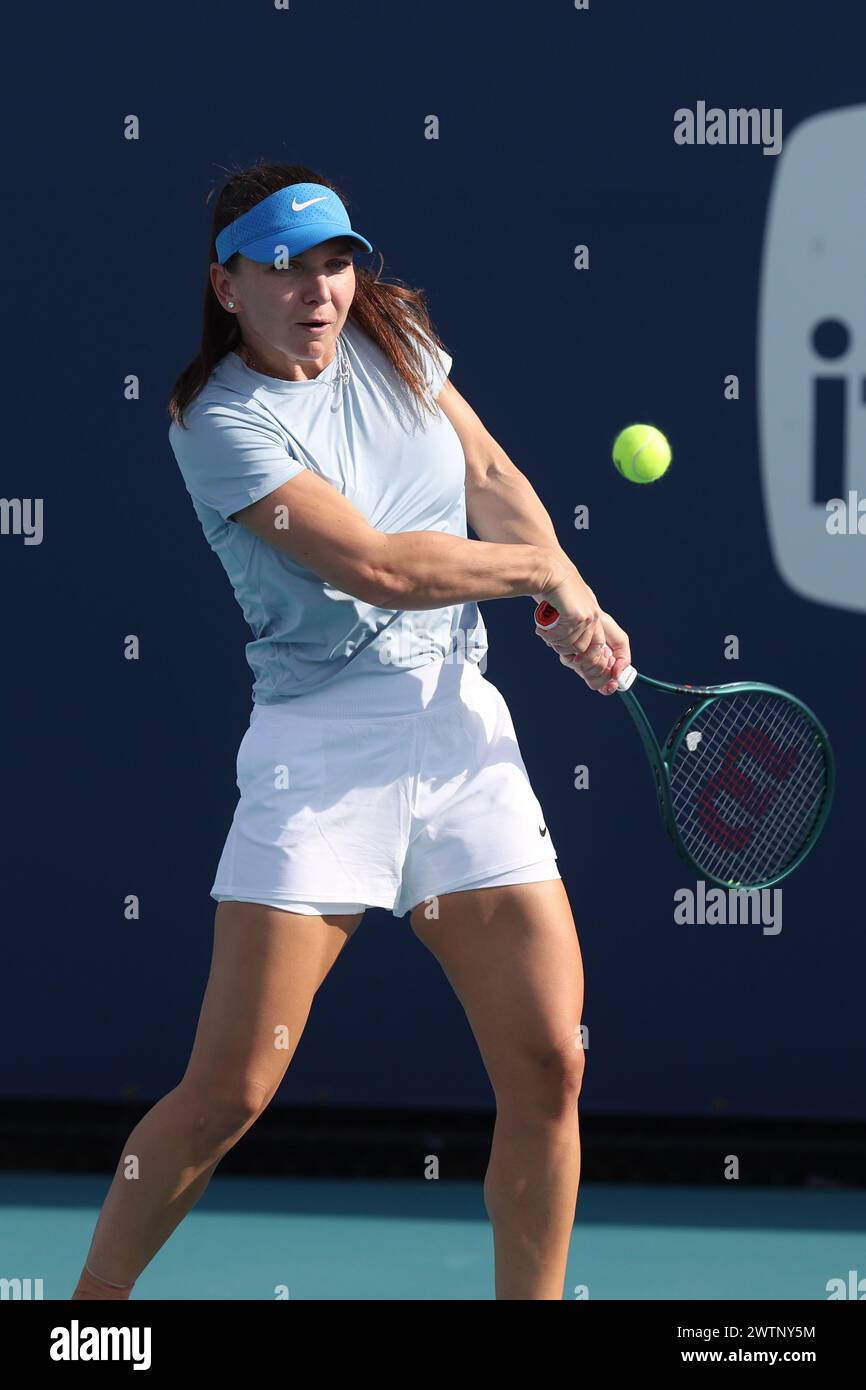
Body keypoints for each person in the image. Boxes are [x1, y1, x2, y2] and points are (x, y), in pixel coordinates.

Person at [71, 161, 631, 1303]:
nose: (319, 290)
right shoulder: (215, 421)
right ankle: (88, 1317)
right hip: (320, 752)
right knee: (230, 1091)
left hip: (460, 729)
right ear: (226, 286)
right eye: (285, 268)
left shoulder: (393, 336)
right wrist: (542, 577)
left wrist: (573, 595)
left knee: (549, 1063)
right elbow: (376, 566)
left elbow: (485, 471)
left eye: (334, 263)